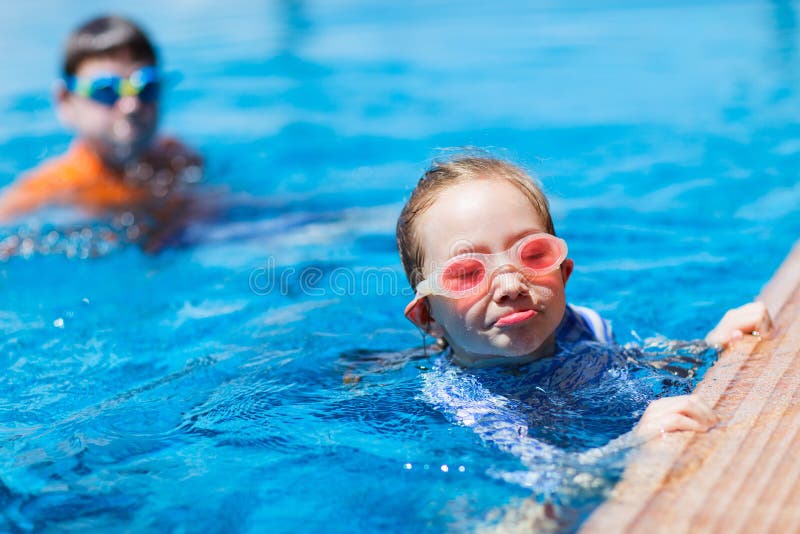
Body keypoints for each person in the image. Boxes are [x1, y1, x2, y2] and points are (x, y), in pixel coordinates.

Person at [395, 155, 771, 503]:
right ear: (428, 317)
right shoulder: (466, 398)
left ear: (563, 274)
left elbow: (636, 366)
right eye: (467, 273)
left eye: (532, 254)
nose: (511, 286)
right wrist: (631, 445)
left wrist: (709, 348)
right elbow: (553, 481)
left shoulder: (581, 325)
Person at [0, 15, 202, 248]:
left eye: (146, 87)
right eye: (106, 90)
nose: (131, 104)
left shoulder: (180, 160)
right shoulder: (54, 187)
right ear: (65, 101)